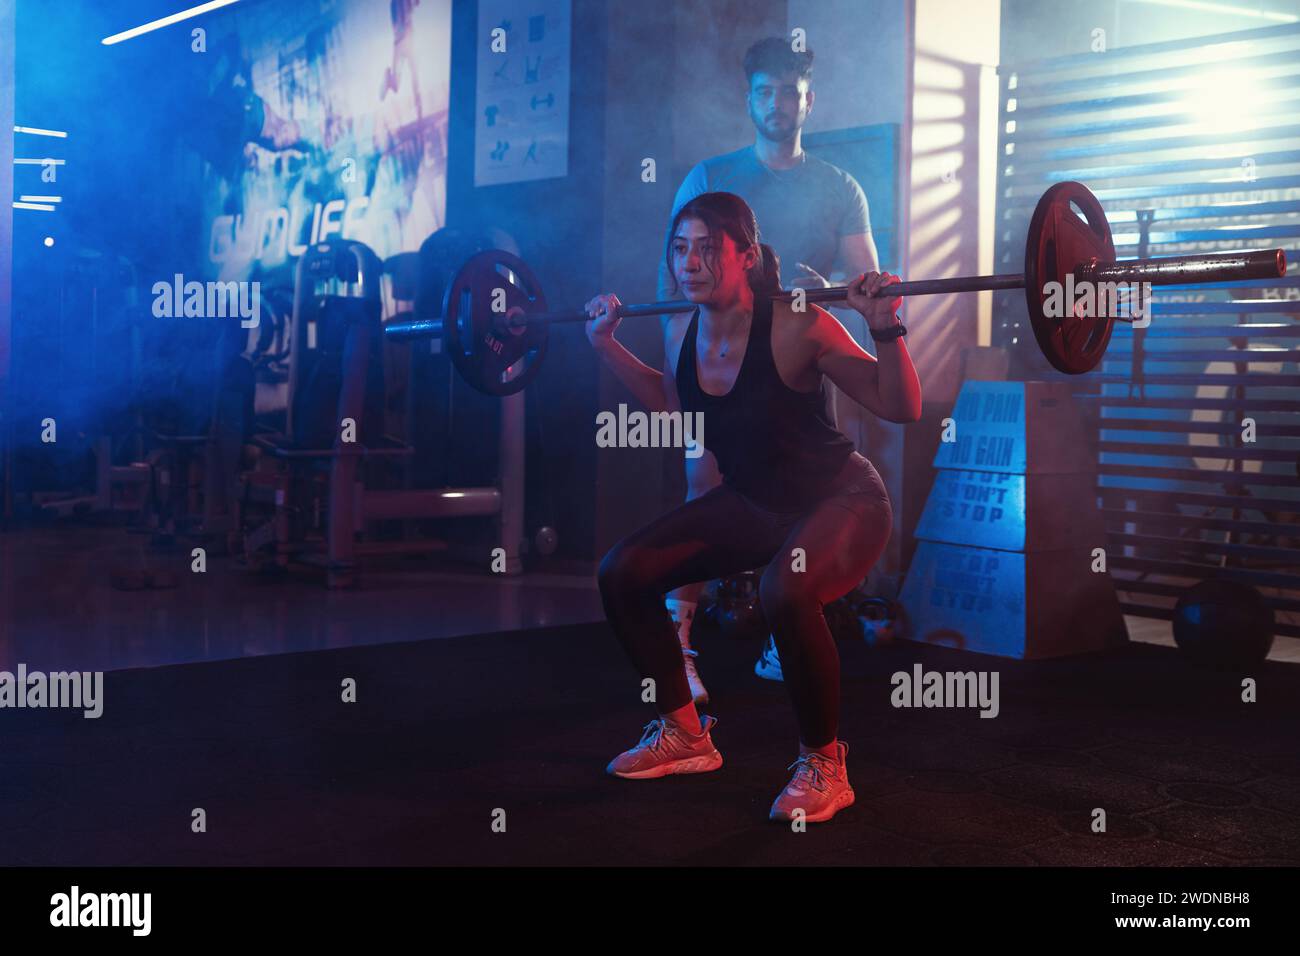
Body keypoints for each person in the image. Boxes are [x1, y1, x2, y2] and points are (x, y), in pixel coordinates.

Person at [585, 192, 920, 823]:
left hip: (842, 499)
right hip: (755, 503)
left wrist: (885, 323)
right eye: (679, 249)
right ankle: (684, 732)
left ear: (745, 254)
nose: (689, 263)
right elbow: (676, 403)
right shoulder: (681, 326)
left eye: (706, 248)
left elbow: (900, 407)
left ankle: (825, 765)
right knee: (622, 571)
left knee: (785, 591)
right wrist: (606, 346)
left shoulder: (797, 323)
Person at [657, 37, 881, 699]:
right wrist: (681, 370)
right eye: (765, 91)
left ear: (809, 99)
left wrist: (842, 290)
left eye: (789, 91)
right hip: (720, 357)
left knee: (812, 487)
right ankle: (678, 646)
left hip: (793, 357)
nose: (777, 103)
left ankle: (791, 631)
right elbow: (680, 278)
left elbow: (862, 276)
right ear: (748, 99)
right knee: (704, 483)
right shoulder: (709, 178)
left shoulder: (840, 187)